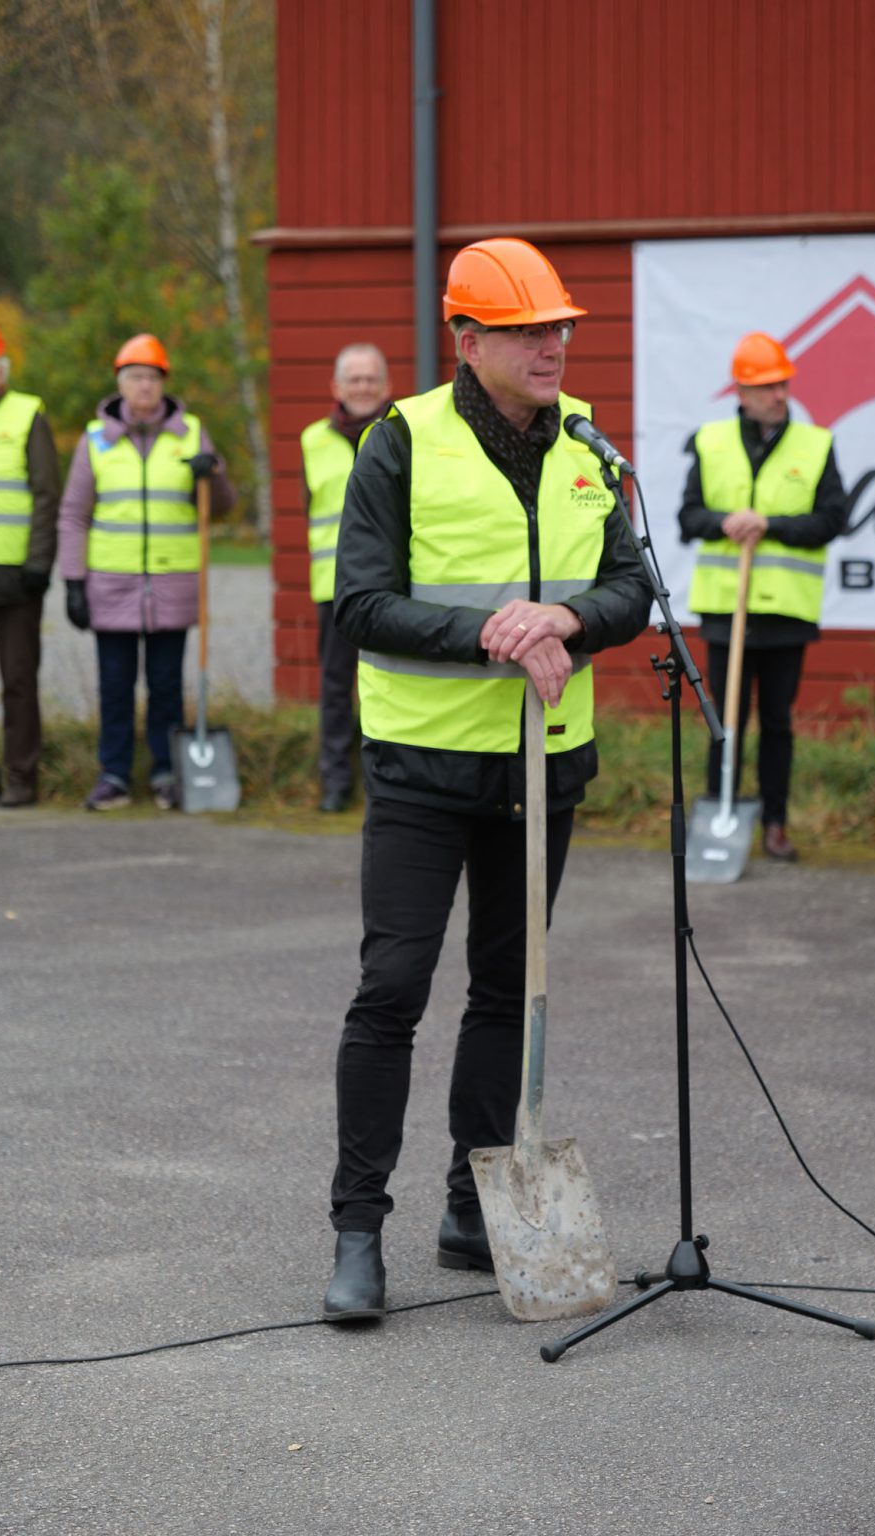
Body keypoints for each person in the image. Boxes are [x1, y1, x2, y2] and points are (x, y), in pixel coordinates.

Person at [322, 237, 652, 1322]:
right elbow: (359, 606)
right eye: (527, 330)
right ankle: (357, 1230)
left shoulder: (588, 447)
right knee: (392, 992)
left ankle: (472, 1208)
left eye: (560, 327)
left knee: (508, 993)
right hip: (420, 769)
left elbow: (629, 591)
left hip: (542, 768)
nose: (553, 345)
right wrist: (492, 634)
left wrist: (563, 616)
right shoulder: (399, 443)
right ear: (468, 340)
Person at [677, 331, 847, 861]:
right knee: (724, 720)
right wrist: (724, 522)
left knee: (777, 721)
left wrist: (769, 523)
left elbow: (831, 519)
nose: (779, 395)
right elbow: (688, 516)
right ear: (742, 392)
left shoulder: (815, 444)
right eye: (767, 386)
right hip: (727, 609)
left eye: (783, 385)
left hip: (784, 611)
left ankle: (775, 822)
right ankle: (718, 808)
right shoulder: (711, 442)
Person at [58, 333, 234, 810]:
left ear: (163, 384)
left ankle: (165, 771)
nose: (144, 387)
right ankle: (113, 773)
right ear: (120, 384)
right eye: (135, 377)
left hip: (173, 589)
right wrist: (73, 582)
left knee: (166, 687)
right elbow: (73, 515)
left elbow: (221, 506)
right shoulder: (94, 442)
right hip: (111, 588)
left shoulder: (192, 433)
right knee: (114, 687)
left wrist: (212, 474)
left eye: (152, 377)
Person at [301, 344, 390, 812]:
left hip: (390, 589)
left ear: (386, 386)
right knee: (336, 689)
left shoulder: (401, 433)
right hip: (332, 587)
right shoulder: (312, 441)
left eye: (371, 378)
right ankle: (336, 783)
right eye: (353, 379)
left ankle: (387, 782)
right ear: (336, 387)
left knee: (392, 686)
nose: (362, 387)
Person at [0, 322, 60, 807]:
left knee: (18, 681)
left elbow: (46, 495)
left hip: (16, 576)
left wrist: (39, 563)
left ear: (4, 371)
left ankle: (21, 777)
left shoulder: (28, 414)